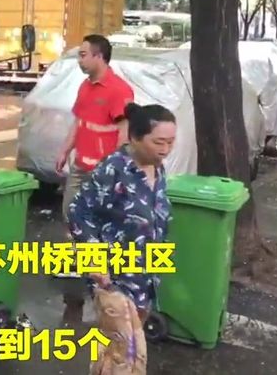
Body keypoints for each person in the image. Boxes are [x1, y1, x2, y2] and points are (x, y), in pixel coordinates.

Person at [68, 103, 177, 375]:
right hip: (114, 278)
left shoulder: (158, 169)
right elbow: (79, 211)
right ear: (135, 138)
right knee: (128, 355)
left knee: (113, 352)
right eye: (159, 142)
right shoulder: (114, 169)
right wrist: (94, 262)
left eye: (170, 142)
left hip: (146, 278)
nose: (165, 149)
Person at [55, 34, 134, 326]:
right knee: (70, 219)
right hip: (80, 168)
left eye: (83, 54)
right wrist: (65, 150)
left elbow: (123, 135)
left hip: (102, 174)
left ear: (99, 57)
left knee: (98, 229)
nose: (80, 60)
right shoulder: (85, 87)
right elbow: (79, 123)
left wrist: (112, 170)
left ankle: (101, 286)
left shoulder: (118, 90)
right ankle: (74, 281)